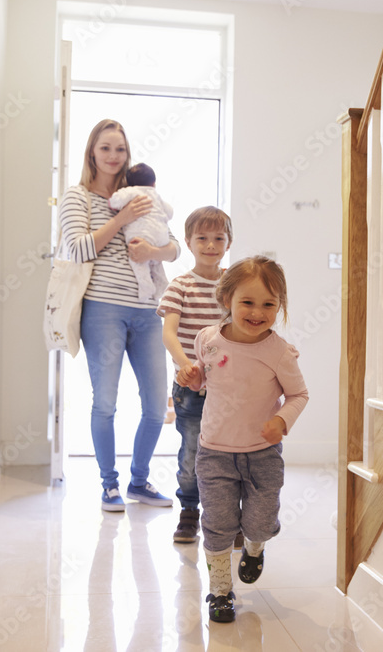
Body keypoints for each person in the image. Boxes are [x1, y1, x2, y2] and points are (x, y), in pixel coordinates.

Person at [176, 256, 309, 623]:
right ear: (226, 299)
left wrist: (281, 420)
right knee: (217, 525)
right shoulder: (208, 339)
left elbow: (299, 395)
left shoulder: (278, 353)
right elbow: (207, 381)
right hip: (214, 452)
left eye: (269, 304)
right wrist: (193, 377)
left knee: (260, 523)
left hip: (262, 455)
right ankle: (220, 592)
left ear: (280, 306)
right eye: (247, 302)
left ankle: (254, 547)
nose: (257, 312)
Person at [58, 119, 181, 512]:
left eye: (121, 149)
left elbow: (173, 242)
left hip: (148, 311)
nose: (113, 156)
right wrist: (121, 220)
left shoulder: (141, 194)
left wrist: (153, 252)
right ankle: (109, 485)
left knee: (156, 405)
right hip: (103, 311)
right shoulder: (77, 198)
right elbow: (77, 249)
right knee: (105, 403)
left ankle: (139, 482)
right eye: (106, 148)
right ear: (92, 151)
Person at [156, 206, 233, 544]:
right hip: (191, 389)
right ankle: (190, 511)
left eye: (218, 238)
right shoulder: (181, 286)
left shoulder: (234, 285)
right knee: (192, 453)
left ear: (229, 242)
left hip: (230, 388)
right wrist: (186, 363)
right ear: (188, 242)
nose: (210, 245)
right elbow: (169, 333)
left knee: (231, 454)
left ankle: (230, 517)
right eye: (202, 238)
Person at [109, 163, 174, 303]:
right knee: (156, 263)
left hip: (141, 234)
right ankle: (162, 283)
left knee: (138, 261)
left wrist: (112, 202)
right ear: (154, 183)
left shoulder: (132, 191)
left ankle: (146, 287)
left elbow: (116, 201)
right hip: (161, 236)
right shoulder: (156, 195)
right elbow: (169, 212)